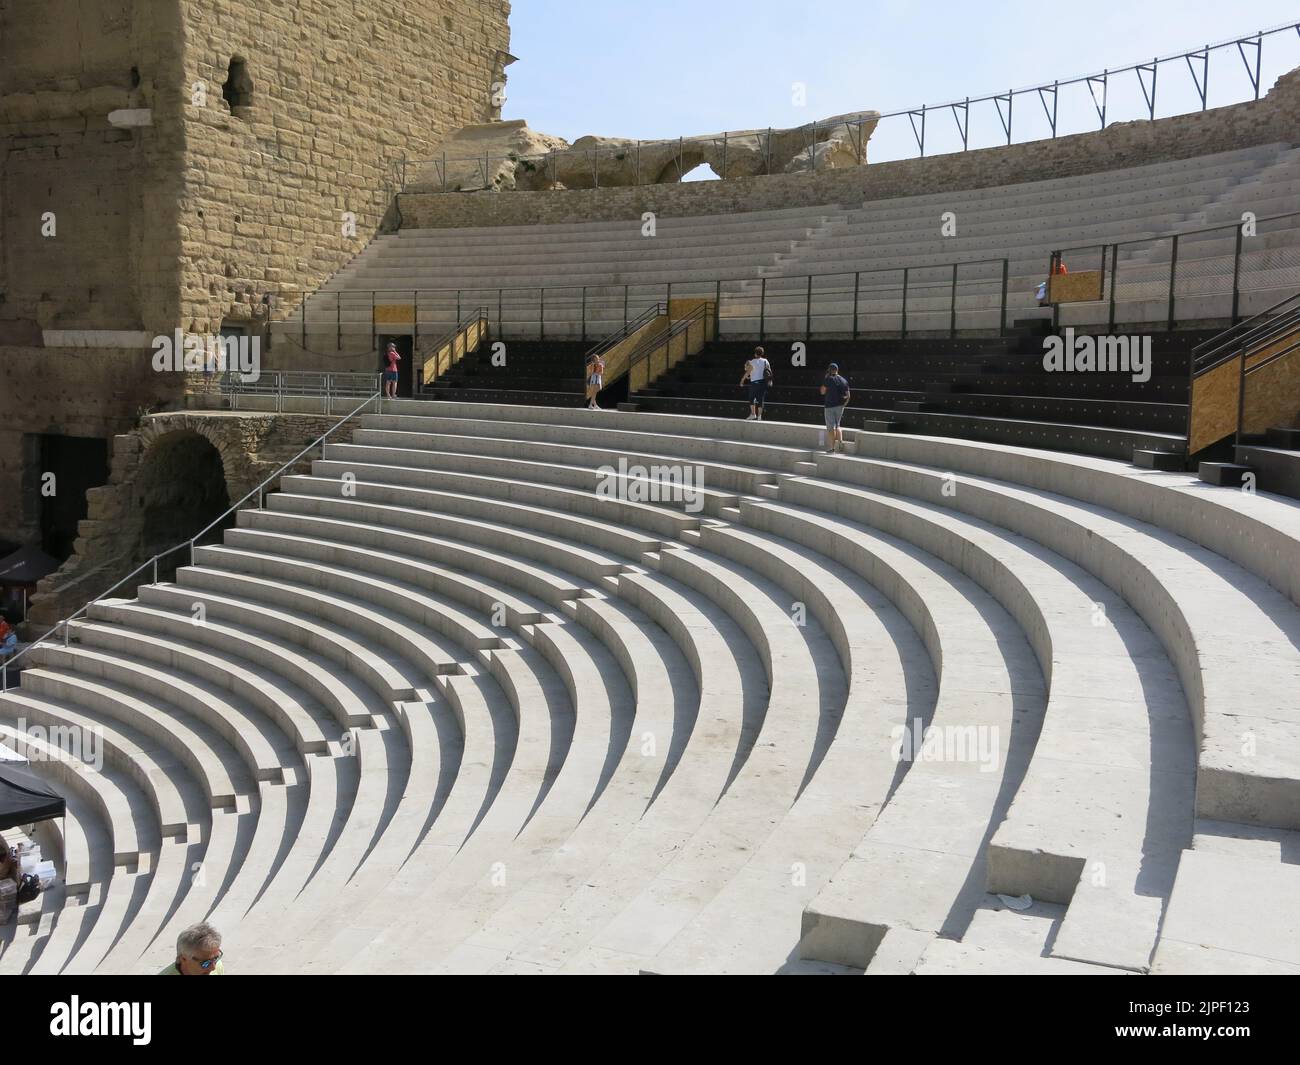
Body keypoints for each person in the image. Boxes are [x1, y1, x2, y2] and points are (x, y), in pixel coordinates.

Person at [159, 921, 225, 975]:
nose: (213, 967)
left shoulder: (217, 965)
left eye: (216, 958)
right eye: (205, 963)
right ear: (184, 959)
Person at [820, 362, 851, 453]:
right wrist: (844, 404)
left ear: (830, 370)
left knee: (831, 428)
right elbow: (848, 396)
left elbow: (822, 392)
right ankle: (840, 442)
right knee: (838, 425)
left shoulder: (828, 379)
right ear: (837, 370)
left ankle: (832, 448)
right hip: (840, 406)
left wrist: (825, 380)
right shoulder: (844, 380)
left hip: (829, 407)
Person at [741, 346, 772, 421]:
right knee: (761, 399)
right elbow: (769, 371)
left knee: (751, 398)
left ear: (755, 353)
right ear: (762, 353)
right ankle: (759, 416)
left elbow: (748, 371)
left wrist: (742, 380)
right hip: (763, 382)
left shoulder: (752, 361)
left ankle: (753, 414)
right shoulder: (765, 361)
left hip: (754, 383)